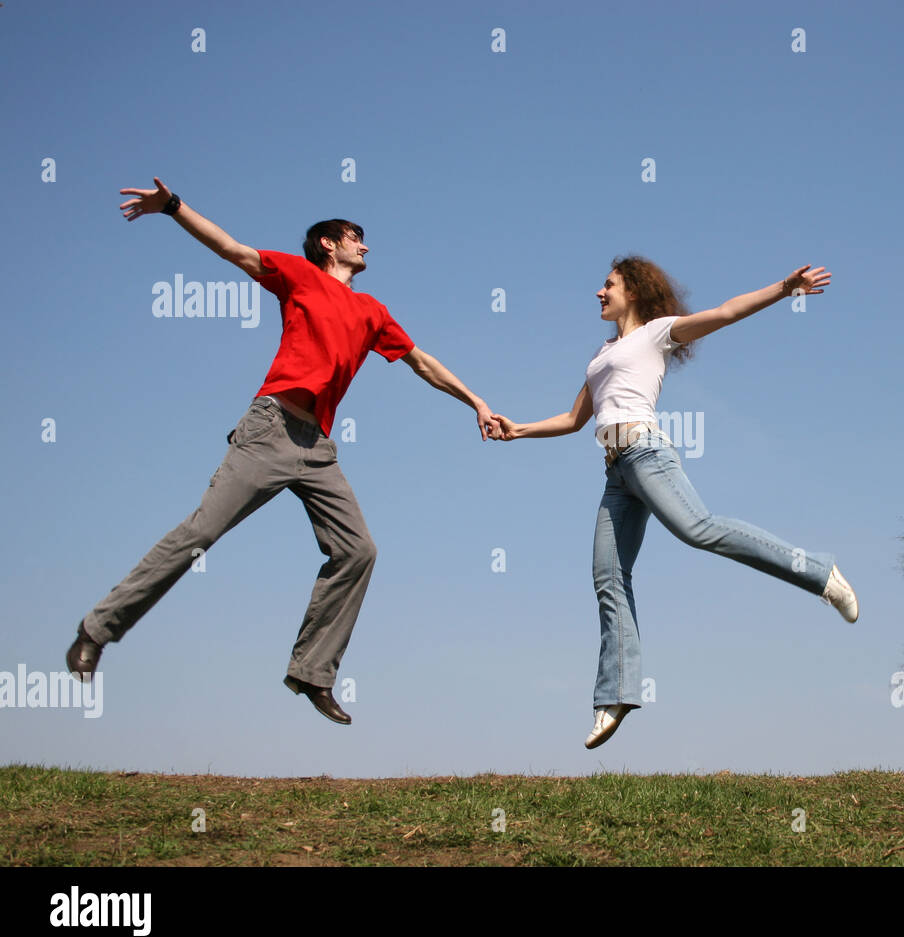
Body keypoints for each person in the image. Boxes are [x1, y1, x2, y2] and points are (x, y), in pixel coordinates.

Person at [65, 177, 498, 724]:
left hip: (317, 448)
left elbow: (422, 362)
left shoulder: (372, 311)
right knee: (200, 533)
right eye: (353, 236)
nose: (364, 245)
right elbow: (232, 248)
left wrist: (475, 401)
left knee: (358, 551)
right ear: (328, 245)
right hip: (270, 430)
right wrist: (172, 206)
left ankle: (312, 672)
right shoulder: (299, 278)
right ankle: (95, 631)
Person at [490, 256, 858, 749]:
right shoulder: (601, 354)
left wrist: (784, 288)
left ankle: (820, 575)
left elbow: (726, 313)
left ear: (634, 291)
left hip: (646, 453)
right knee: (607, 575)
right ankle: (616, 693)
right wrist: (519, 429)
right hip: (616, 471)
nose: (599, 293)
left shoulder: (658, 332)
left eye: (608, 285)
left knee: (698, 529)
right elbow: (576, 418)